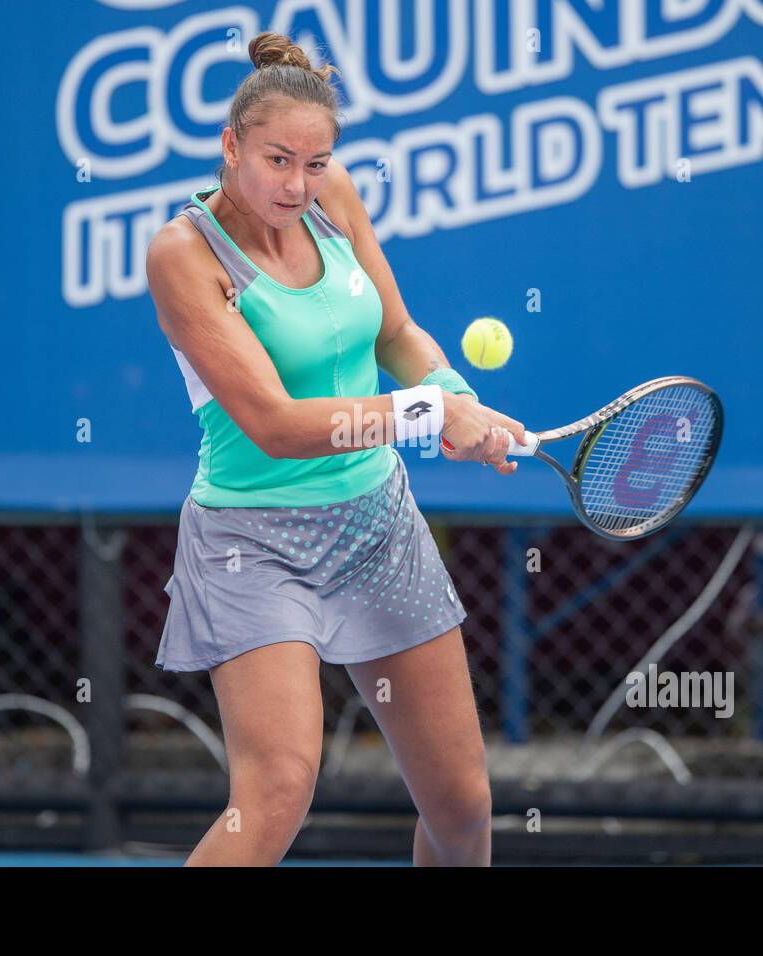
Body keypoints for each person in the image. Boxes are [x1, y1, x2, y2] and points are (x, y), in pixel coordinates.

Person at [145, 31, 527, 866]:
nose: (298, 184)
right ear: (230, 145)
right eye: (278, 161)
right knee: (276, 793)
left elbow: (394, 331)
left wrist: (458, 397)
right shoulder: (182, 254)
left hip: (378, 528)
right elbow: (276, 427)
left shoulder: (334, 198)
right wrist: (427, 415)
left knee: (462, 808)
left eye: (315, 164)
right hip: (252, 544)